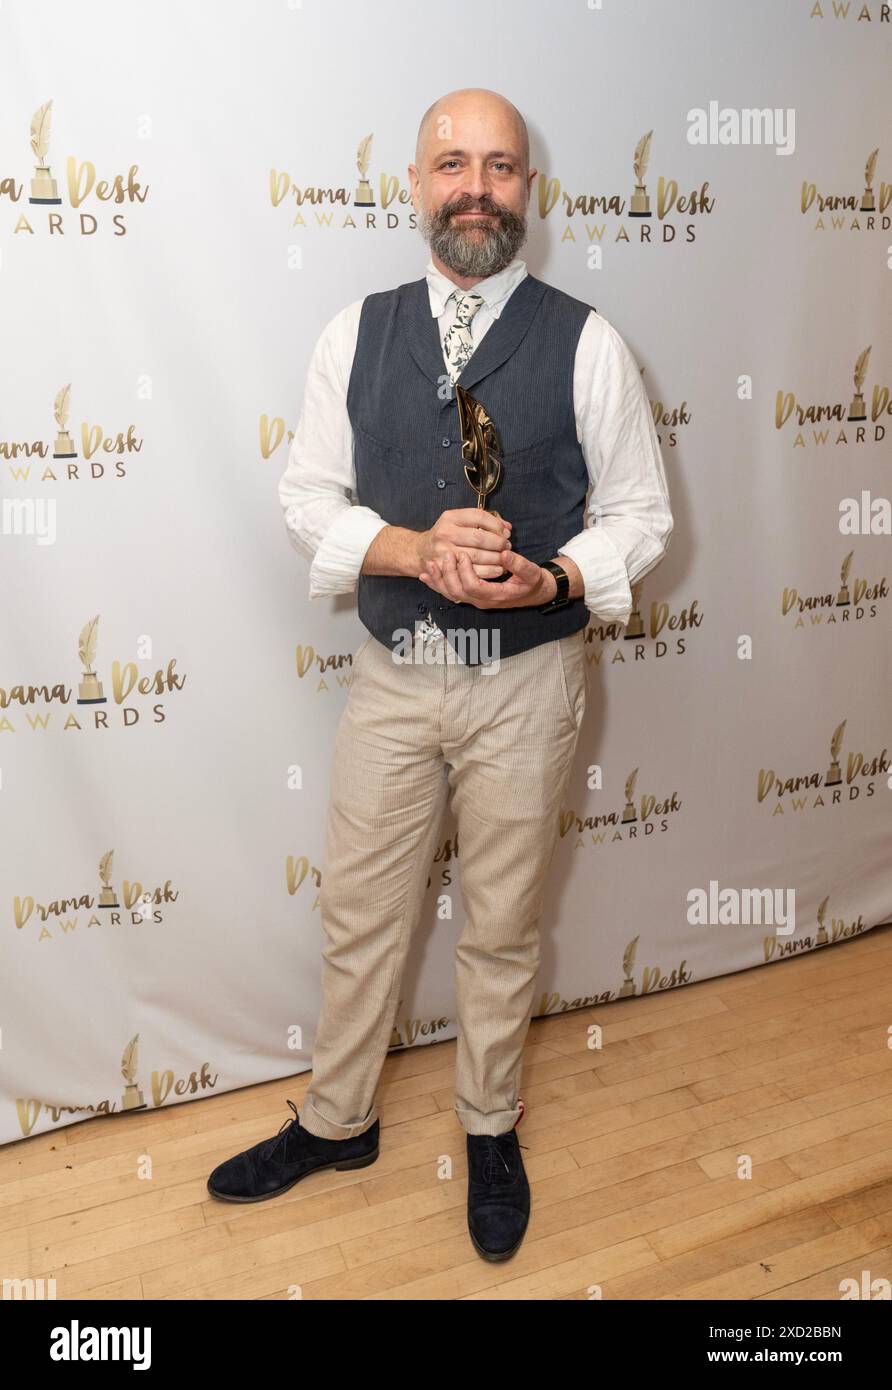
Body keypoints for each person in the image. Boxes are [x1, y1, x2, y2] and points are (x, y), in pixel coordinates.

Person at [207, 87, 673, 1263]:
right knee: (361, 905)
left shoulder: (590, 341)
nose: (476, 186)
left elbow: (640, 518)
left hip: (528, 681)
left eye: (500, 167)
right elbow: (305, 496)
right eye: (452, 163)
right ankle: (338, 1118)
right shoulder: (350, 333)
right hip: (395, 672)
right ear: (414, 185)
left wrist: (555, 581)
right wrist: (412, 549)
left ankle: (488, 1125)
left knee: (504, 922)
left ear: (529, 189)